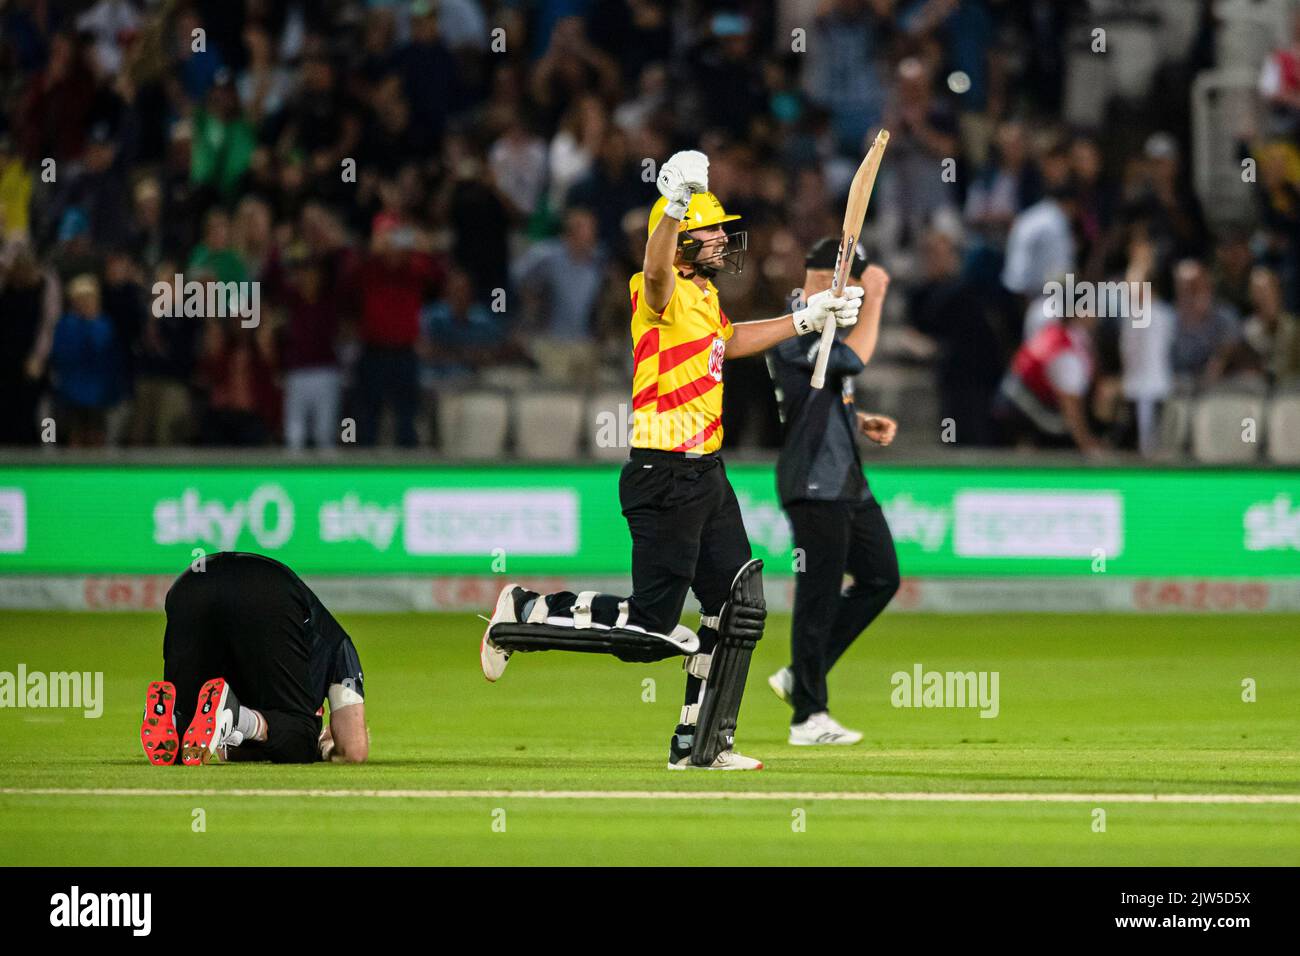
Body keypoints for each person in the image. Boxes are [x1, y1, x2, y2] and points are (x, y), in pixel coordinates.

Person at [477, 150, 863, 770]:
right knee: (651, 630)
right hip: (663, 472)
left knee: (737, 606)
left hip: (706, 472)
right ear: (683, 237)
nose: (721, 242)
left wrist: (805, 320)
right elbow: (654, 268)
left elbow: (730, 340)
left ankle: (702, 745)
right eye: (709, 232)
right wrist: (674, 207)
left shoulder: (703, 295)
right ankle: (527, 610)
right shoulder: (654, 288)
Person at [766, 238, 899, 745]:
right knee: (818, 595)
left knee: (881, 575)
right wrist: (880, 300)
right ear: (826, 278)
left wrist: (858, 420)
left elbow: (820, 394)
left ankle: (804, 674)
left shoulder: (820, 324)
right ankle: (808, 717)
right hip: (814, 480)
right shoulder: (795, 324)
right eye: (858, 282)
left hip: (845, 477)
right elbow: (855, 359)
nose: (863, 293)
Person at [140, 552, 368, 766]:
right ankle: (237, 717)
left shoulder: (224, 699)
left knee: (192, 734)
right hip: (268, 590)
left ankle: (174, 718)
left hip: (189, 586)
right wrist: (322, 744)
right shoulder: (338, 646)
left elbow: (228, 751)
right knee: (301, 735)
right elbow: (354, 751)